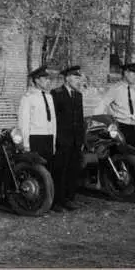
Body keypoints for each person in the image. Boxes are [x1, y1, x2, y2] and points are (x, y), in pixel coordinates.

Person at [50, 65, 85, 212]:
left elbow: (80, 119)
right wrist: (57, 139)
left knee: (73, 170)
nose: (78, 80)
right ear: (67, 78)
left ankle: (70, 199)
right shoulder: (56, 93)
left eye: (79, 77)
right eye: (76, 77)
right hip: (62, 140)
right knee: (60, 170)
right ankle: (57, 201)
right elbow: (53, 119)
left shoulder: (78, 95)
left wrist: (82, 140)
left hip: (76, 140)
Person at [18, 65, 57, 172]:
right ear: (37, 80)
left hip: (48, 138)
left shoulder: (49, 97)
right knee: (35, 171)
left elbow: (53, 121)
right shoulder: (28, 98)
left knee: (49, 171)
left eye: (48, 78)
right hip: (35, 139)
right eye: (45, 79)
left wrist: (53, 141)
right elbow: (24, 122)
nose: (48, 81)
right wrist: (26, 144)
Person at [93, 62, 135, 144]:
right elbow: (103, 104)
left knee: (131, 153)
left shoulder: (133, 91)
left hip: (131, 129)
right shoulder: (115, 89)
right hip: (119, 127)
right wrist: (97, 123)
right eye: (133, 74)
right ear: (125, 73)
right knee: (119, 155)